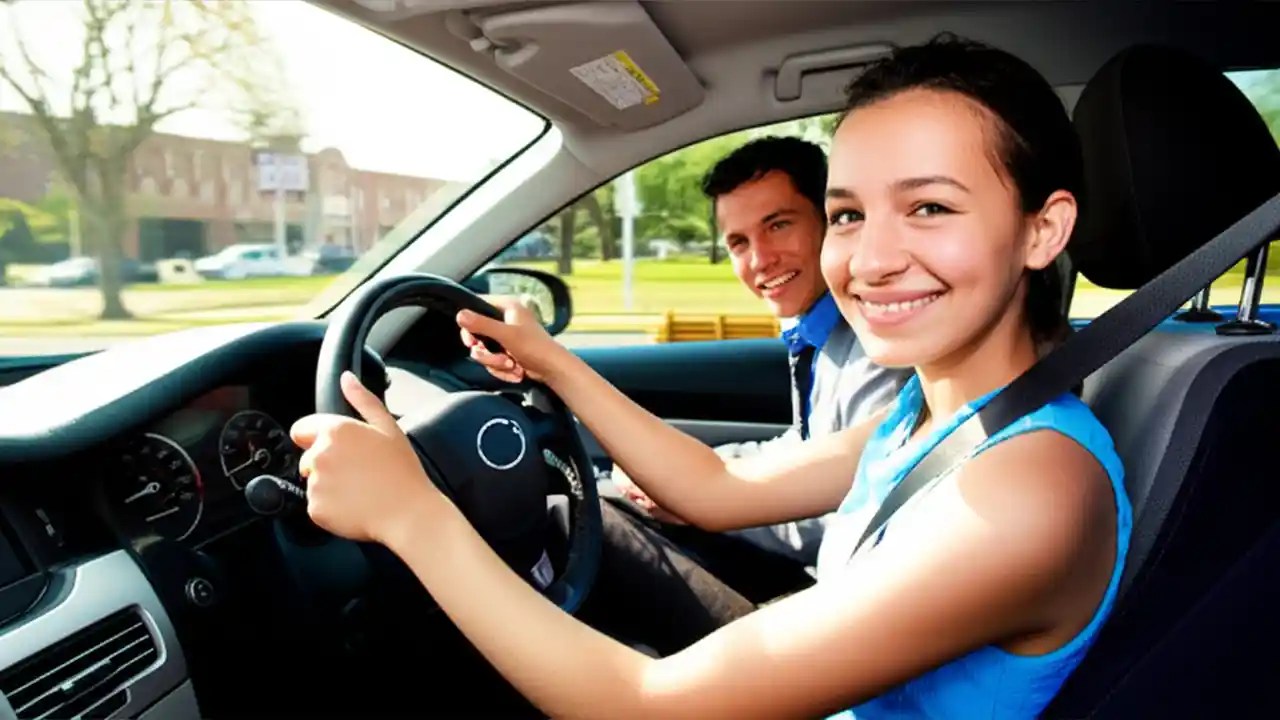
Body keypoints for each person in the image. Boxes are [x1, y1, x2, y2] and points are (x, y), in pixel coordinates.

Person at [291, 33, 1131, 719]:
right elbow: (717, 489)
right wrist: (551, 362)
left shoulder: (1032, 489)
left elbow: (649, 706)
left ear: (1041, 230)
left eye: (931, 207)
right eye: (847, 215)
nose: (868, 261)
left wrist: (412, 514)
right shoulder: (938, 413)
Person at [603, 136, 909, 605]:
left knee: (597, 530)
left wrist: (699, 500)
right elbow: (805, 448)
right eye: (739, 242)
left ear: (833, 220)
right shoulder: (818, 334)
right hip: (819, 580)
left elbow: (847, 513)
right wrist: (688, 471)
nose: (760, 260)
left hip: (842, 599)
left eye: (779, 225)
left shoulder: (880, 347)